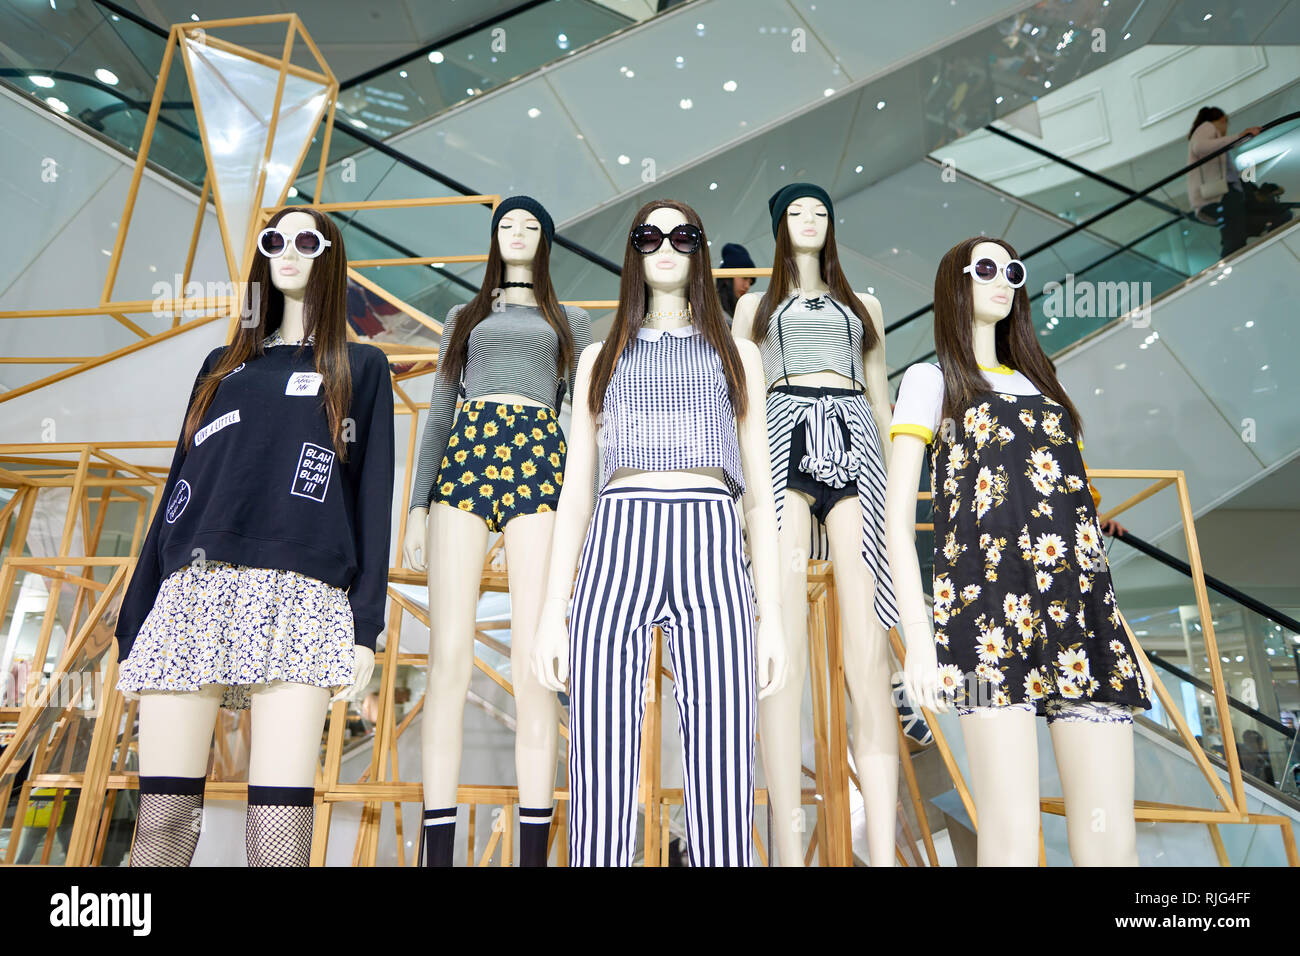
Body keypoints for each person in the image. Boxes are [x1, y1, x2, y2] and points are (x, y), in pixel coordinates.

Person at [1187, 106, 1263, 258]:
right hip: (1221, 193)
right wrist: (1239, 136)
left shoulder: (1211, 135)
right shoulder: (1207, 126)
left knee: (1234, 232)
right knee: (1235, 236)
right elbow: (1200, 147)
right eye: (1226, 123)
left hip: (1221, 193)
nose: (1226, 128)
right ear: (1222, 120)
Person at [716, 242, 755, 324]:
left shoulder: (744, 308)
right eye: (744, 278)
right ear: (727, 278)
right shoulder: (711, 308)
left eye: (750, 282)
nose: (747, 286)